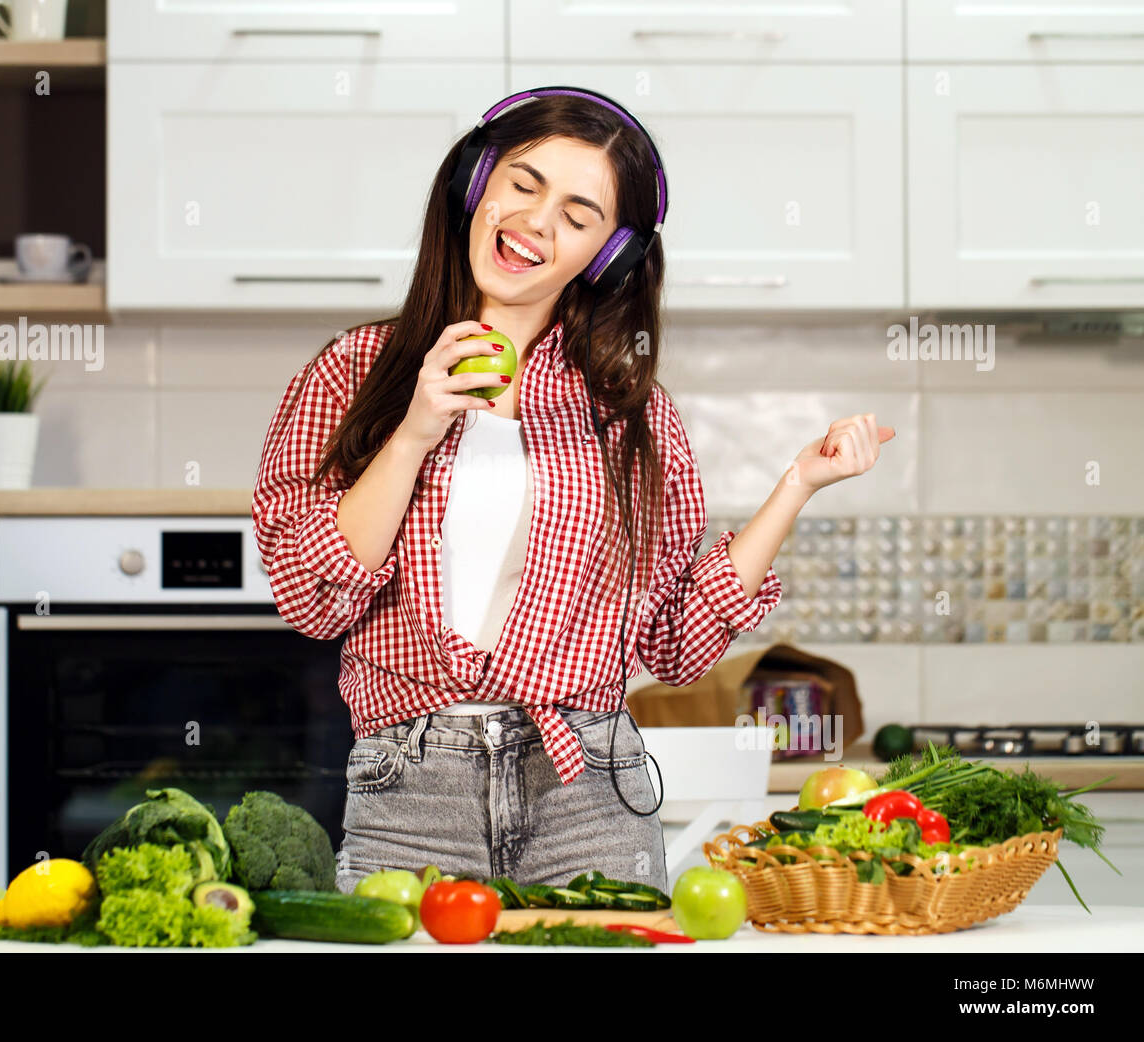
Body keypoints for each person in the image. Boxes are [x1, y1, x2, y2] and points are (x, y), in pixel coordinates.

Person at [252, 87, 894, 896]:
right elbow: (315, 602)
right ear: (475, 185)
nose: (537, 221)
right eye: (524, 184)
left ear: (606, 253)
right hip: (409, 788)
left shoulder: (631, 416)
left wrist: (798, 484)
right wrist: (414, 428)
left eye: (578, 212)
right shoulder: (352, 373)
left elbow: (672, 644)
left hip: (589, 789)